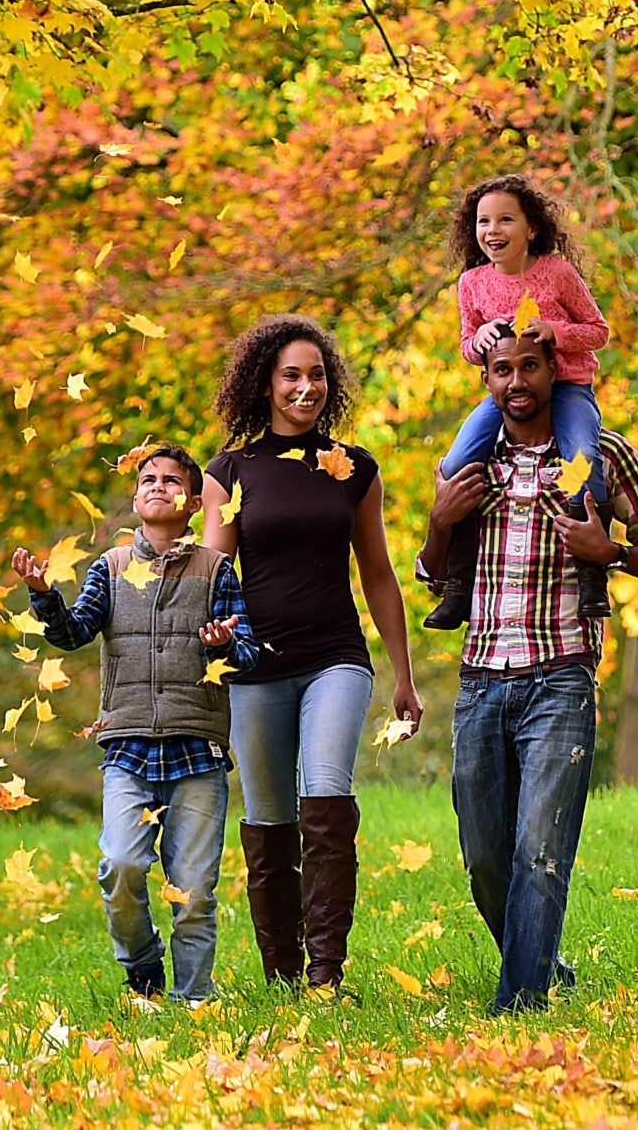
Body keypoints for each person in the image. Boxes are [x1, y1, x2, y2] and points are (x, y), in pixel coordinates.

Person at [419, 329, 638, 1015]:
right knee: (484, 857)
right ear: (488, 380)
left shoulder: (596, 455)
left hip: (559, 679)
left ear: (552, 370)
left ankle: (521, 1005)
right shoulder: (470, 465)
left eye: (528, 366)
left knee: (540, 853)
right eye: (501, 370)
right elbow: (431, 574)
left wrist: (610, 551)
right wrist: (441, 523)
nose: (516, 381)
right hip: (481, 681)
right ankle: (543, 963)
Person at [201, 315, 424, 990]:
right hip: (256, 667)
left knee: (326, 794)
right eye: (291, 375)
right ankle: (283, 975)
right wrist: (212, 641)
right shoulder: (229, 471)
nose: (306, 388)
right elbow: (214, 572)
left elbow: (379, 575)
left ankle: (327, 971)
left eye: (317, 375)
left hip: (336, 656)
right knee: (268, 817)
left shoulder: (353, 469)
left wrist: (404, 678)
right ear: (265, 385)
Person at [12, 443, 257, 1007]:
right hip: (128, 750)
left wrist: (225, 645)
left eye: (173, 481)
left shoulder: (216, 570)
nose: (158, 486)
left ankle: (193, 999)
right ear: (135, 496)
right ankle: (142, 965)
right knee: (121, 866)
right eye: (148, 478)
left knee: (193, 891)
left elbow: (248, 653)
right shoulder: (112, 568)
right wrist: (44, 595)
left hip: (198, 749)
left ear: (193, 502)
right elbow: (74, 634)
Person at [425, 173, 615, 632]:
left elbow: (599, 331)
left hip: (566, 386)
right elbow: (469, 344)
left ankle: (592, 576)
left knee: (582, 459)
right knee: (456, 464)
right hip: (506, 393)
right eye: (483, 221)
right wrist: (481, 339)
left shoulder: (556, 273)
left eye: (506, 219)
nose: (493, 231)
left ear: (530, 228)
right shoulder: (471, 283)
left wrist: (557, 332)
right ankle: (457, 584)